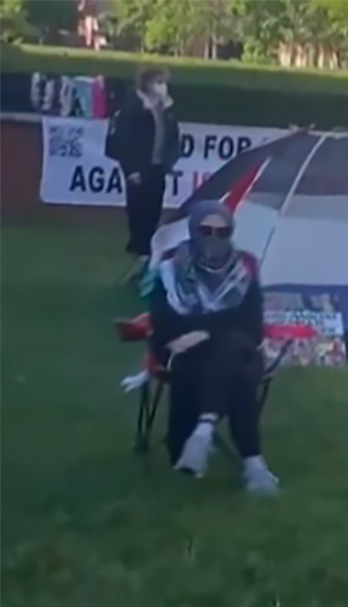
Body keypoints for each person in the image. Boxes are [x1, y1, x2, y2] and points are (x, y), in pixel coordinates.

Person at [148, 201, 279, 495]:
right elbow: (164, 323)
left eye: (222, 232)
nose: (214, 237)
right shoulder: (172, 268)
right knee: (240, 371)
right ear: (193, 230)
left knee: (231, 346)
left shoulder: (244, 269)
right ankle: (253, 464)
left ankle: (203, 430)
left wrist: (203, 331)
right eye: (206, 230)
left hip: (234, 348)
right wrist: (219, 327)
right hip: (184, 353)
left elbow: (252, 326)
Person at [105, 67, 181, 276]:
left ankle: (147, 253)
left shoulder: (166, 109)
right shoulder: (132, 108)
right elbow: (123, 142)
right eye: (158, 82)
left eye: (164, 83)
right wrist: (131, 169)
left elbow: (172, 137)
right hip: (138, 168)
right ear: (147, 84)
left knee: (153, 210)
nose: (163, 87)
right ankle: (139, 252)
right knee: (138, 211)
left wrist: (169, 162)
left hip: (158, 168)